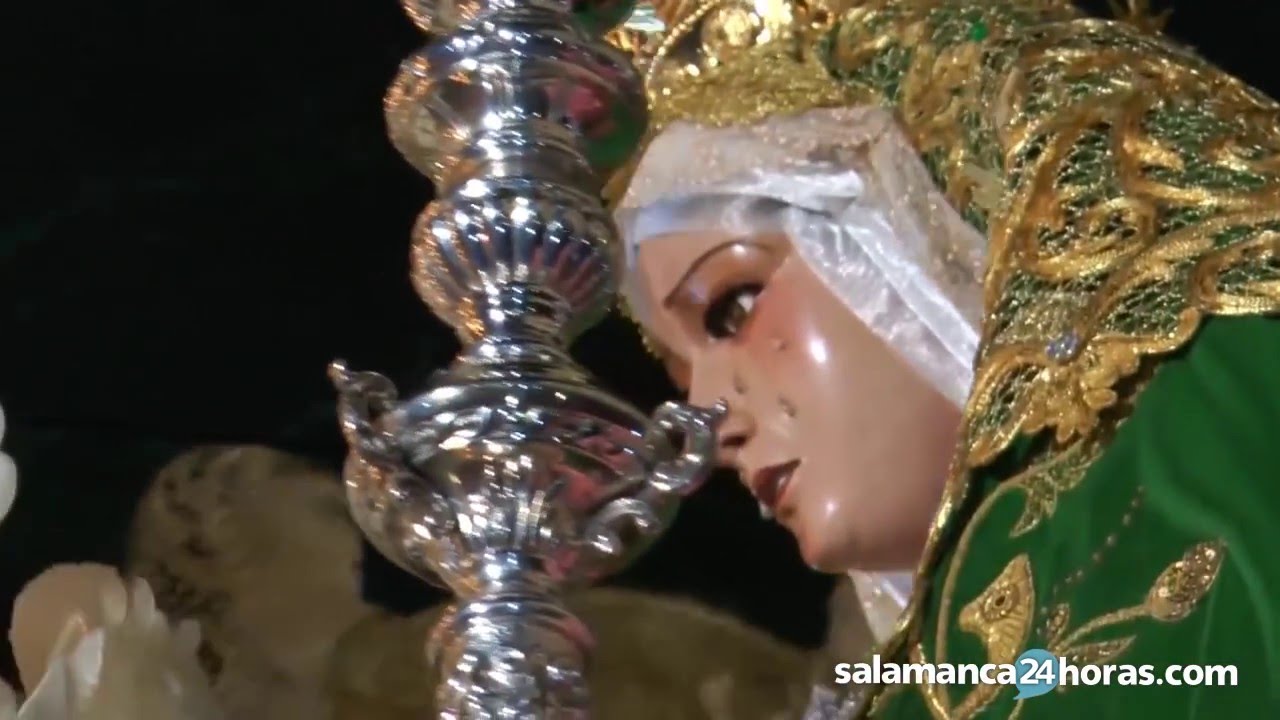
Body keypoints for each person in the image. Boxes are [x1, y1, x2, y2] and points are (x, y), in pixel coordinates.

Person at [606, 0, 1280, 717]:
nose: (706, 422)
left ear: (912, 229)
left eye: (731, 308)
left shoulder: (1211, 420)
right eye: (681, 377)